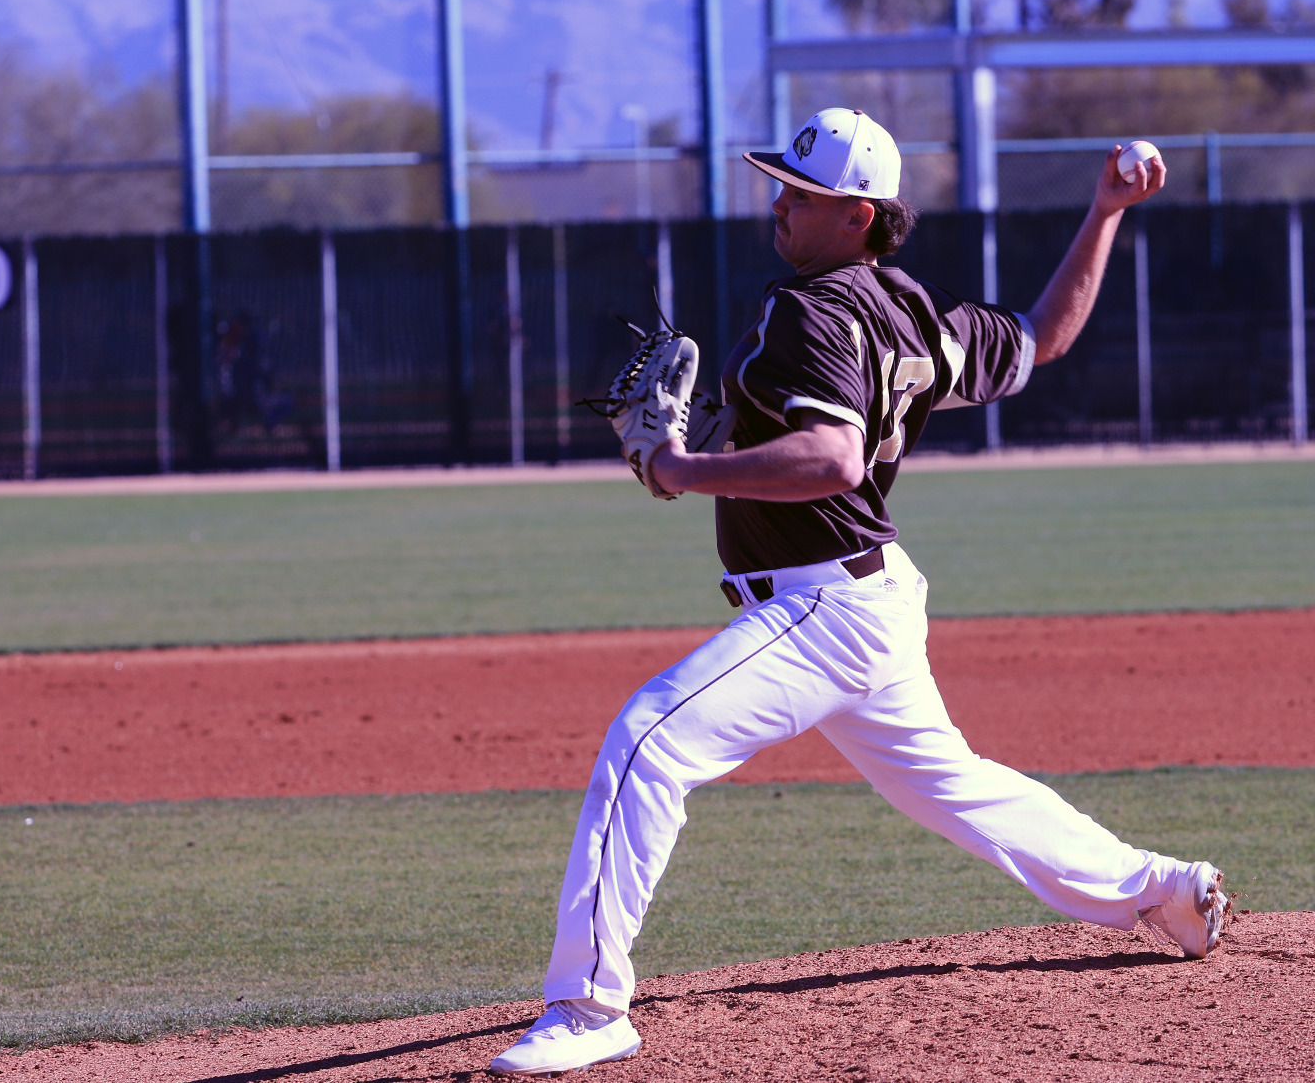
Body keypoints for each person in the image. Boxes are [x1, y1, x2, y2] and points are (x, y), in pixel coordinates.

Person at [488, 108, 1231, 1077]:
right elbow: (1040, 338)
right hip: (865, 598)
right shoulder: (910, 311)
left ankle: (589, 1008)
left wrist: (677, 468)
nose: (780, 205)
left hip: (821, 605)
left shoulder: (809, 312)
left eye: (803, 193)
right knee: (953, 787)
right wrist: (1103, 213)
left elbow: (832, 458)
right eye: (784, 186)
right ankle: (1160, 891)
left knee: (646, 742)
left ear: (858, 216)